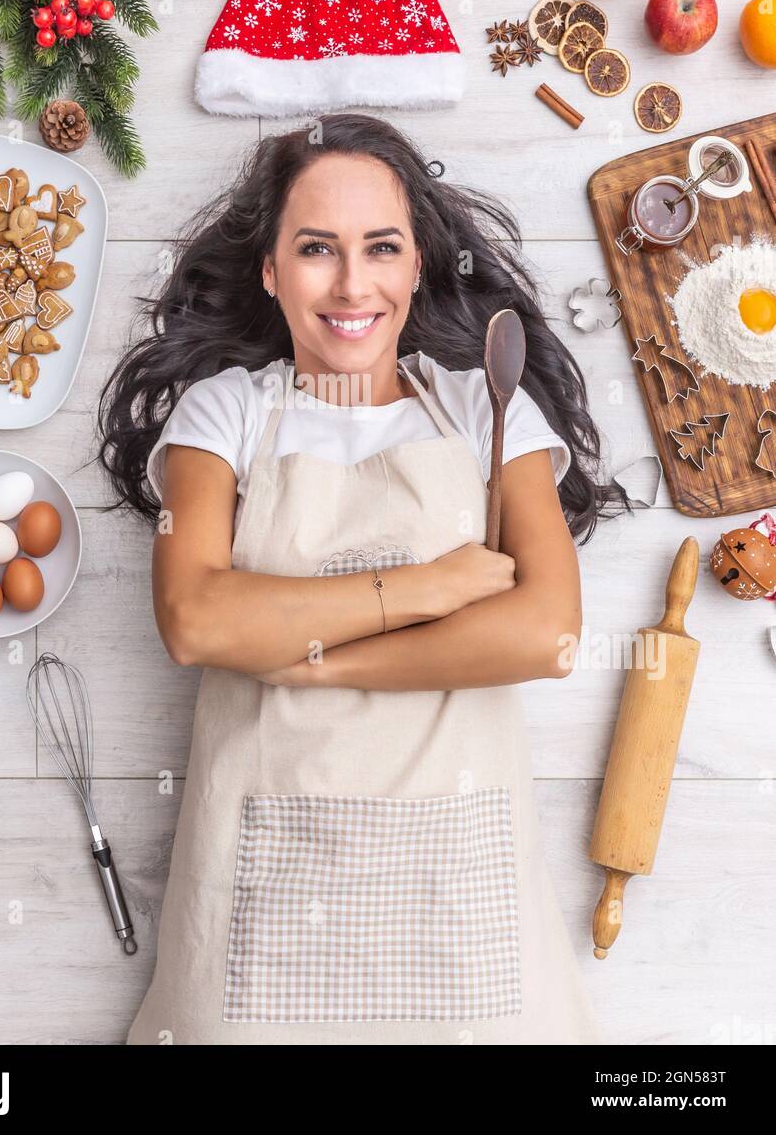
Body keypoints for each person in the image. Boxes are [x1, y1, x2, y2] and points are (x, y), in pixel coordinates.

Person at [98, 113, 626, 1044]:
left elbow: (543, 634)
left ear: (417, 266)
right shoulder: (223, 415)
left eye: (381, 247)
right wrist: (424, 590)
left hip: (457, 884)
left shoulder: (486, 410)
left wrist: (312, 660)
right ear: (270, 271)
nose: (352, 284)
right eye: (315, 249)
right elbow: (196, 621)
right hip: (267, 869)